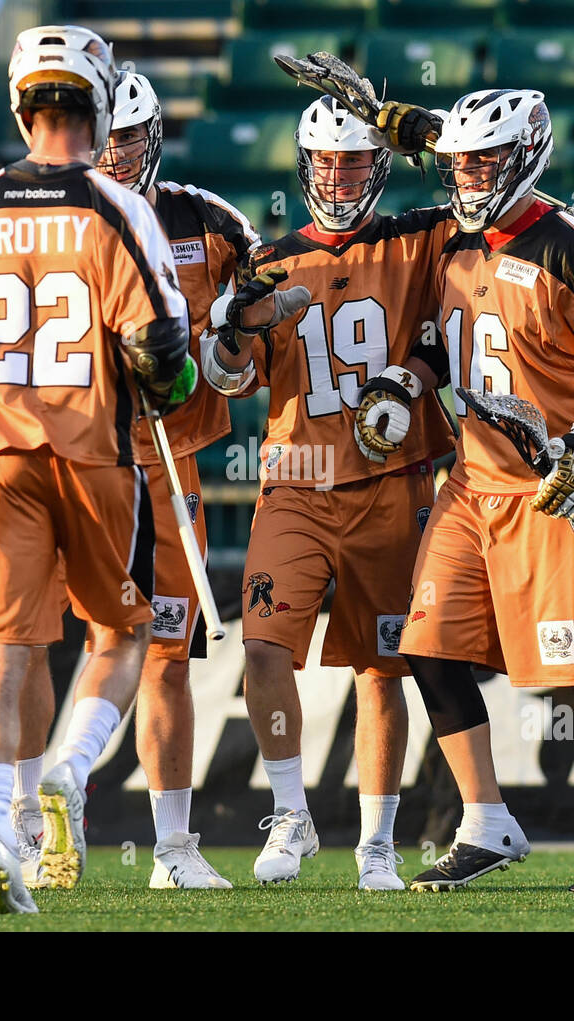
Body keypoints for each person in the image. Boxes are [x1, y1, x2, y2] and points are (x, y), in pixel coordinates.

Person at [0, 25, 195, 914]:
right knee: (121, 636)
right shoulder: (115, 206)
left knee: (0, 657)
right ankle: (68, 764)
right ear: (96, 107)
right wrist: (163, 384)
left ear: (23, 106)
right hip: (96, 455)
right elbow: (160, 345)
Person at [359, 88, 574, 891]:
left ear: (528, 155)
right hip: (474, 483)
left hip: (563, 485)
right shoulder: (455, 243)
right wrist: (403, 383)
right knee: (425, 646)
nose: (469, 176)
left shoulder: (571, 248)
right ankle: (486, 819)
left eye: (486, 160)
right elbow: (441, 339)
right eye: (461, 161)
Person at [206, 96, 455, 889]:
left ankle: (376, 840)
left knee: (383, 668)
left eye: (353, 161)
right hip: (297, 480)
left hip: (393, 480)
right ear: (305, 166)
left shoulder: (421, 235)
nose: (338, 176)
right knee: (262, 646)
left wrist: (436, 132)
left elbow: (495, 191)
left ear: (380, 165)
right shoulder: (269, 257)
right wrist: (238, 324)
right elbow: (228, 377)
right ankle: (291, 812)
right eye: (326, 162)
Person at [94, 70, 261, 889]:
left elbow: (241, 369)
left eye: (129, 136)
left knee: (165, 653)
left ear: (154, 135)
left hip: (170, 464)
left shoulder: (211, 223)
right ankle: (9, 827)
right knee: (20, 645)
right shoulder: (57, 218)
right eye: (106, 135)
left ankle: (171, 847)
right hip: (73, 462)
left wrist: (222, 349)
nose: (116, 152)